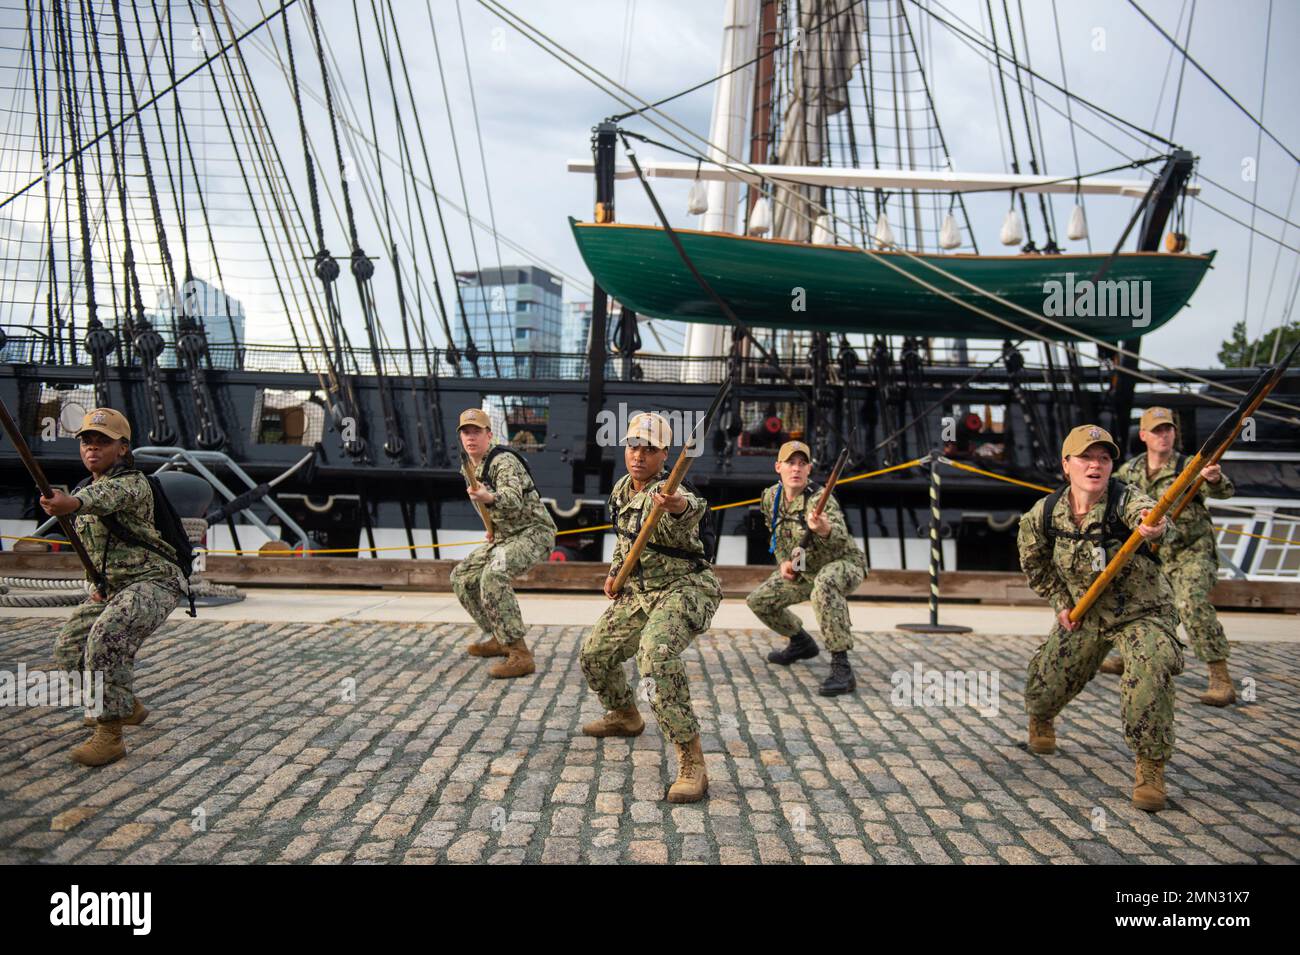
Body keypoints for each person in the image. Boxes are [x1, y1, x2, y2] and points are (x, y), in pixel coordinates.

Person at [1017, 424, 1183, 811]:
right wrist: (1061, 602)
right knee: (1045, 686)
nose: (1096, 465)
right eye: (1086, 458)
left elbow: (1153, 518)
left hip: (1141, 612)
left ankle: (1150, 765)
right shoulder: (1042, 516)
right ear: (1066, 464)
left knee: (1151, 663)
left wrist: (1153, 525)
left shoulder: (1125, 500)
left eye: (1104, 458)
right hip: (1085, 612)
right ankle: (1041, 718)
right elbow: (1036, 566)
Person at [578, 412, 722, 803]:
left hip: (685, 587)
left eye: (649, 449)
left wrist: (675, 505)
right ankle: (626, 715)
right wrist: (615, 575)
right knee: (594, 654)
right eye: (633, 446)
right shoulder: (622, 489)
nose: (639, 455)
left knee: (655, 657)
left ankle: (692, 762)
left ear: (665, 455)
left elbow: (690, 510)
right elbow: (626, 541)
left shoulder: (676, 491)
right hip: (639, 590)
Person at [39, 408, 183, 767]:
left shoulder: (133, 483)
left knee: (106, 637)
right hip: (115, 586)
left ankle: (110, 734)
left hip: (154, 581)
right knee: (69, 649)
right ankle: (125, 705)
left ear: (122, 448)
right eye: (87, 441)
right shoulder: (84, 488)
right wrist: (95, 584)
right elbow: (93, 548)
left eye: (103, 441)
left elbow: (106, 498)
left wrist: (70, 504)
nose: (92, 448)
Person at [1102, 407, 1237, 706]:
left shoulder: (1192, 465)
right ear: (1143, 436)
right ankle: (1132, 657)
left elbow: (1225, 491)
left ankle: (1221, 677)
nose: (1164, 435)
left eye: (1168, 429)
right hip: (1154, 556)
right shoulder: (1130, 471)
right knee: (1132, 604)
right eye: (1157, 431)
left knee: (1190, 601)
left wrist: (1213, 479)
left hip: (1192, 552)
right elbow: (1110, 496)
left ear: (1175, 433)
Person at [747, 441, 867, 695]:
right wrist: (783, 562)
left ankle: (841, 667)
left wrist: (824, 529)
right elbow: (775, 535)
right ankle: (801, 642)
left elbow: (841, 538)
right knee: (758, 600)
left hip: (842, 563)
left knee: (824, 585)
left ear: (809, 469)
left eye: (802, 464)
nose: (796, 469)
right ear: (778, 466)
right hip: (804, 568)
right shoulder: (770, 497)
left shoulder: (820, 500)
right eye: (791, 463)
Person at [450, 408, 557, 679]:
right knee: (461, 577)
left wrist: (490, 498)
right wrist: (493, 528)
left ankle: (520, 654)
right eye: (466, 432)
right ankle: (501, 635)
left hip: (534, 532)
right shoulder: (468, 465)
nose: (470, 437)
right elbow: (482, 501)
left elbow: (512, 499)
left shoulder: (503, 461)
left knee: (494, 575)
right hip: (506, 535)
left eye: (476, 432)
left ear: (489, 434)